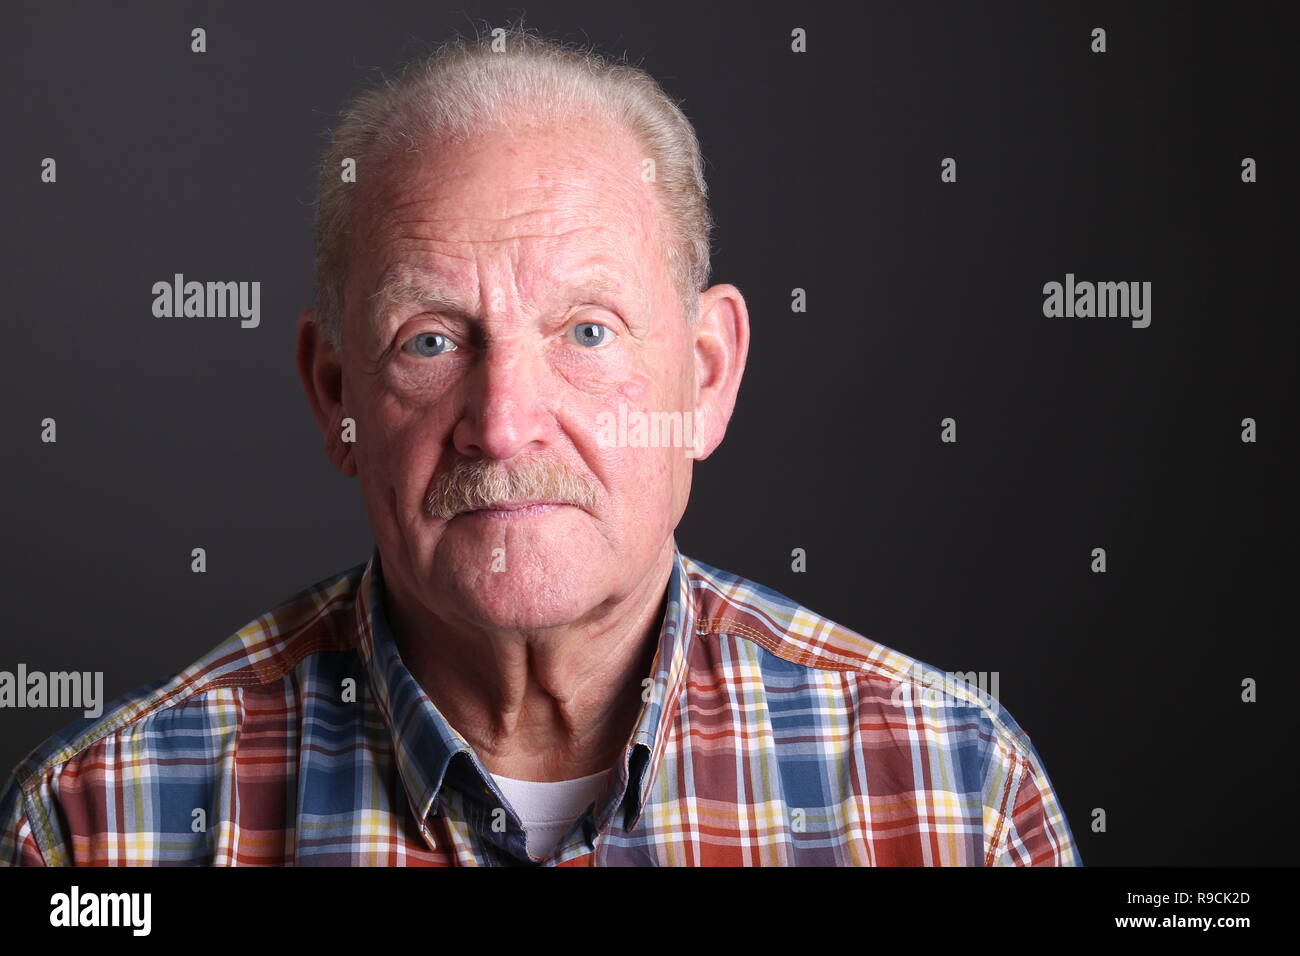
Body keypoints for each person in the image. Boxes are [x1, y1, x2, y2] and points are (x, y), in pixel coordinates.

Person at [0, 25, 1080, 866]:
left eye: (587, 332)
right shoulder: (104, 826)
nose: (505, 420)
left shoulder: (952, 795)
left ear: (705, 374)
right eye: (430, 340)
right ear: (336, 394)